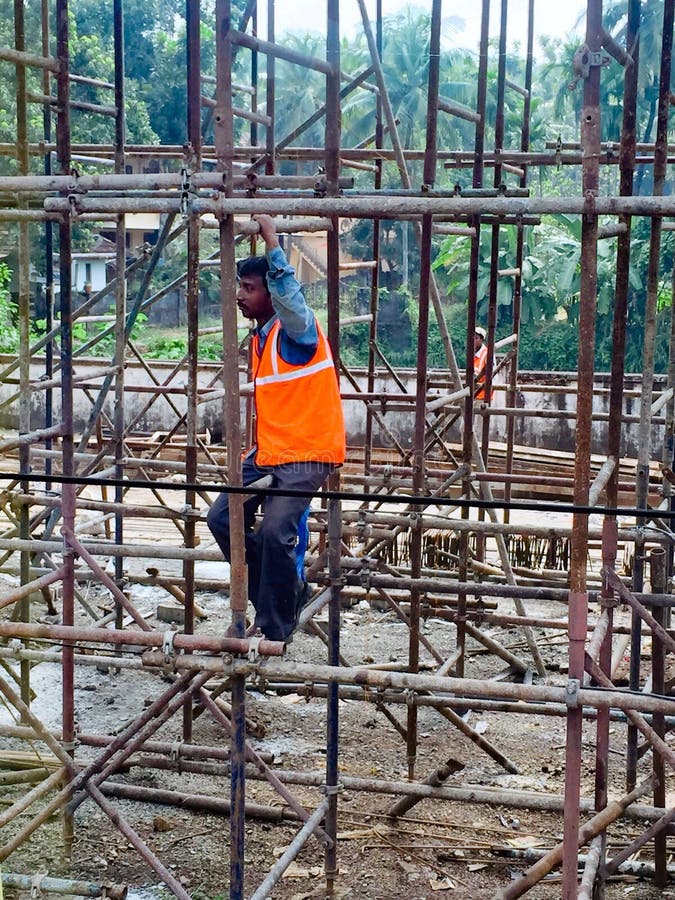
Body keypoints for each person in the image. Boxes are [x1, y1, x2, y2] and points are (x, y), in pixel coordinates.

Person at [207, 214, 346, 643]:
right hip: (272, 451)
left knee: (274, 530)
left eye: (249, 289)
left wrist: (272, 242)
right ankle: (281, 590)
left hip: (307, 453)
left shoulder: (297, 334)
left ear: (272, 294)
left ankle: (275, 625)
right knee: (220, 518)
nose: (239, 297)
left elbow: (294, 302)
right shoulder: (262, 338)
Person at [473, 325, 492, 402]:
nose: (473, 340)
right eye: (473, 338)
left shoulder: (487, 353)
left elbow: (492, 374)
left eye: (476, 338)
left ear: (482, 340)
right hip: (474, 394)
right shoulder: (473, 353)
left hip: (483, 395)